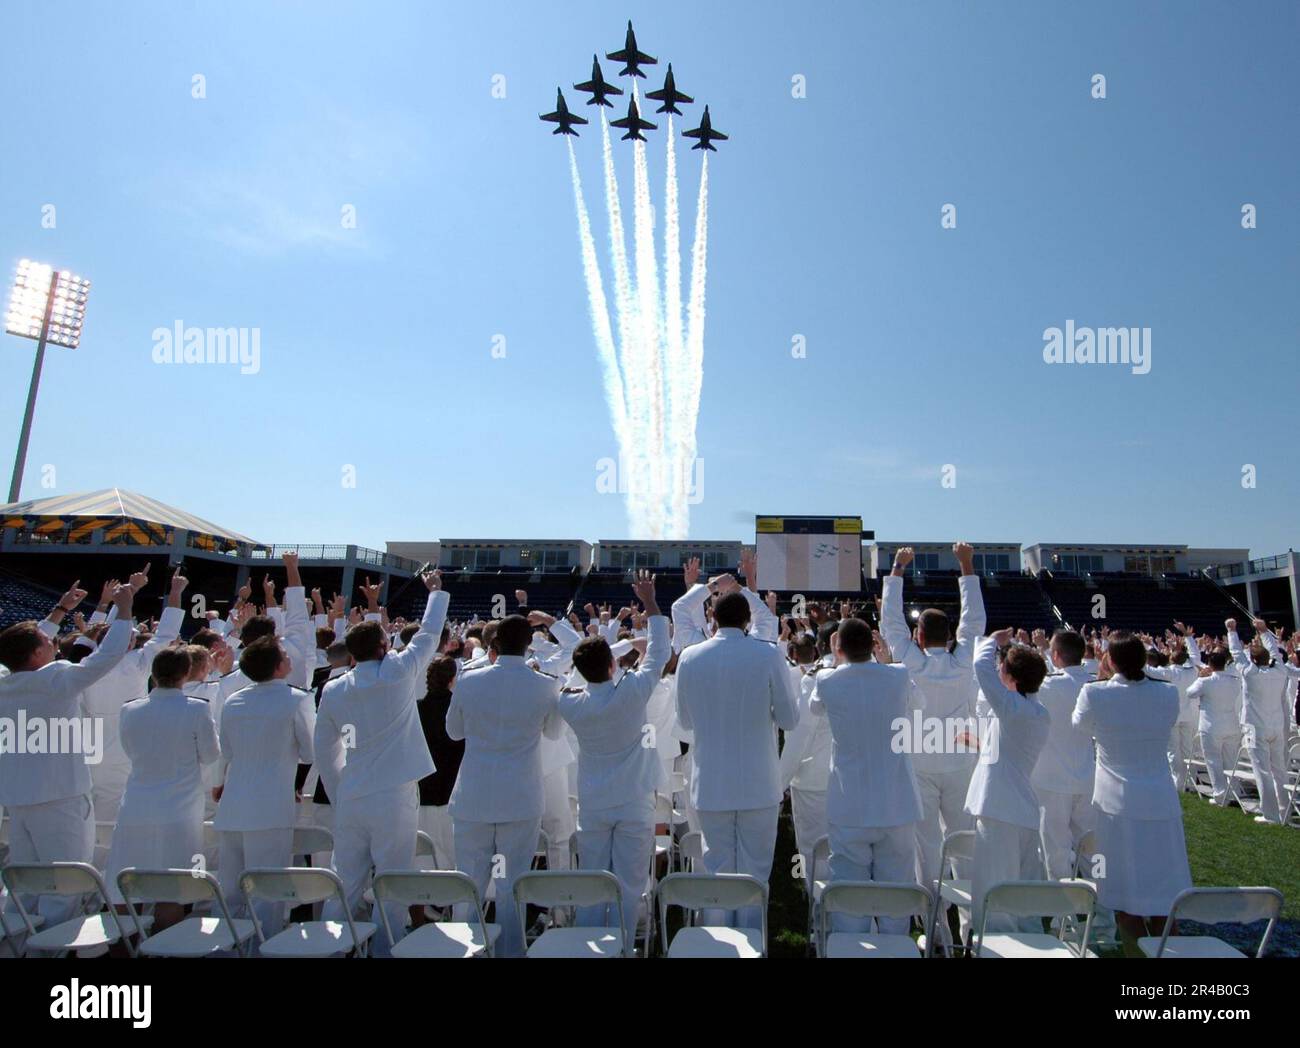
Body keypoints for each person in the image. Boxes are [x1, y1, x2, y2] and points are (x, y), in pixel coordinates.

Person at [313, 569, 447, 951]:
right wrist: (436, 592)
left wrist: (341, 791)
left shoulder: (335, 689)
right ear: (384, 647)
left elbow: (326, 749)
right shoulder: (399, 672)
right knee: (392, 877)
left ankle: (329, 948)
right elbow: (429, 635)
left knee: (345, 879)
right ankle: (387, 945)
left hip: (353, 792)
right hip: (393, 794)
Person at [0, 577, 137, 926]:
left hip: (17, 799)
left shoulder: (5, 683)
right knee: (66, 885)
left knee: (24, 885)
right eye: (48, 641)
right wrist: (125, 610)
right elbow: (107, 655)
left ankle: (16, 944)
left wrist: (60, 611)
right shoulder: (56, 678)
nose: (55, 642)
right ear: (36, 654)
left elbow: (18, 648)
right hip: (62, 798)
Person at [674, 586, 799, 930]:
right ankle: (750, 941)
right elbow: (790, 720)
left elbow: (684, 724)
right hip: (758, 783)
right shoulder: (768, 654)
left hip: (711, 781)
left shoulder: (690, 657)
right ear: (747, 620)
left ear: (712, 618)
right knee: (755, 872)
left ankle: (719, 940)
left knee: (717, 870)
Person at [880, 542, 984, 941]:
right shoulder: (963, 662)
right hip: (960, 761)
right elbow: (974, 621)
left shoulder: (912, 660)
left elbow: (890, 623)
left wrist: (896, 570)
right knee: (965, 845)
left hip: (920, 763)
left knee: (926, 847)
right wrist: (966, 565)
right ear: (948, 635)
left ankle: (937, 932)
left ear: (918, 635)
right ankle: (972, 930)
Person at [558, 571, 669, 944]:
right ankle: (625, 941)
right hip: (634, 799)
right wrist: (651, 603)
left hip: (594, 801)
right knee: (631, 879)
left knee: (593, 876)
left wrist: (607, 653)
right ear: (611, 665)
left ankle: (590, 941)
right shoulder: (632, 691)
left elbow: (569, 677)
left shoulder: (570, 703)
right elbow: (658, 653)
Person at [446, 612, 564, 958]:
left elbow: (454, 731)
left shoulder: (468, 680)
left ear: (494, 644)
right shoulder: (544, 684)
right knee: (512, 884)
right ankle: (511, 951)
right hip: (520, 797)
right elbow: (554, 733)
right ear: (529, 645)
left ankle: (464, 951)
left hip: (474, 794)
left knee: (468, 882)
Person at [1072, 632, 1191, 956]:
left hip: (1117, 805)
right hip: (1160, 802)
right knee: (1165, 897)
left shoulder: (1094, 692)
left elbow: (1080, 726)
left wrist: (1101, 679)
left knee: (1125, 898)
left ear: (1109, 660)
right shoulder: (1166, 693)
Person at [808, 617, 921, 935]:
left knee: (850, 891)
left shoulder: (827, 679)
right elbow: (919, 701)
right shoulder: (898, 675)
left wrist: (832, 661)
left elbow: (815, 709)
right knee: (896, 888)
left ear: (838, 647)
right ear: (874, 646)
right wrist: (889, 662)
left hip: (850, 804)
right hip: (896, 802)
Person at [105, 646, 220, 931]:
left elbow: (130, 750)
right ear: (185, 674)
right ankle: (164, 949)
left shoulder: (129, 709)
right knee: (173, 887)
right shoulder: (196, 708)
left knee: (126, 881)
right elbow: (211, 755)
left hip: (136, 806)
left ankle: (125, 947)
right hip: (179, 810)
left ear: (154, 675)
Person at [213, 633, 315, 937]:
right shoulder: (297, 699)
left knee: (228, 891)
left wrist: (219, 783)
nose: (289, 658)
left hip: (233, 805)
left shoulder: (234, 700)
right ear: (277, 667)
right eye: (284, 655)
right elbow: (310, 752)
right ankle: (262, 948)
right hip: (270, 807)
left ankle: (224, 950)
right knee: (267, 892)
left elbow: (226, 753)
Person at [81, 568, 186, 824]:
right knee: (112, 814)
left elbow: (106, 631)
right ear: (128, 642)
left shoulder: (86, 662)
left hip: (86, 744)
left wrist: (131, 589)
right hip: (123, 745)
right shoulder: (138, 663)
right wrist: (175, 592)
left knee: (84, 810)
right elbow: (167, 634)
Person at [967, 630, 1050, 935]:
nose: (998, 670)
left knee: (992, 887)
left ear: (1012, 677)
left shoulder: (1011, 708)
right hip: (1022, 809)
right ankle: (1030, 941)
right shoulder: (1038, 713)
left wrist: (993, 640)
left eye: (1003, 667)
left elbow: (979, 667)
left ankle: (991, 945)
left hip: (999, 808)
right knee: (1023, 888)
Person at [1029, 629, 1096, 881]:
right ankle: (1101, 912)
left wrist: (1041, 651)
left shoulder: (1048, 686)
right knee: (1092, 848)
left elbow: (1035, 679)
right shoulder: (1094, 684)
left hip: (1051, 781)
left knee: (1055, 850)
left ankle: (1062, 913)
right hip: (1087, 777)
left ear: (1056, 655)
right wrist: (1047, 651)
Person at [778, 624, 835, 869]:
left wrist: (779, 783)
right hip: (856, 778)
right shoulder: (875, 673)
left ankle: (821, 903)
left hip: (814, 779)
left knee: (814, 853)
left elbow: (800, 735)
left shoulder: (815, 679)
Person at [1226, 619, 1293, 824]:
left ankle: (1271, 814)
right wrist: (1264, 632)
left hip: (1257, 728)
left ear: (1253, 661)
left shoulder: (1250, 673)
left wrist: (1231, 631)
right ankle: (1285, 811)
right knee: (1279, 770)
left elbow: (1236, 654)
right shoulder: (1280, 671)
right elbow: (1275, 653)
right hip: (1276, 726)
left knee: (1263, 772)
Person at [415, 655, 464, 872]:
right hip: (453, 791)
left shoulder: (415, 709)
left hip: (423, 790)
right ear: (452, 679)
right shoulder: (460, 708)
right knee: (454, 860)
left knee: (424, 861)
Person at [1187, 645, 1243, 807]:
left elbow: (1190, 693)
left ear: (1210, 666)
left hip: (1211, 726)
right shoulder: (1234, 680)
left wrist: (1200, 677)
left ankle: (1220, 795)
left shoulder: (1205, 681)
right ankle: (1234, 791)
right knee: (1230, 761)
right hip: (1231, 724)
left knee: (1213, 761)